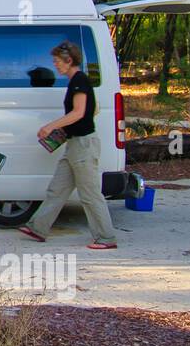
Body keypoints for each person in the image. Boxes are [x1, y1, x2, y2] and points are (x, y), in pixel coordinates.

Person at [18, 40, 118, 249]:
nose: (55, 64)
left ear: (69, 60)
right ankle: (38, 227)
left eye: (57, 61)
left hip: (83, 146)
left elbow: (78, 113)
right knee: (57, 189)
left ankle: (106, 237)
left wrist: (50, 127)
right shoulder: (75, 81)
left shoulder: (80, 80)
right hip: (74, 145)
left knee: (90, 194)